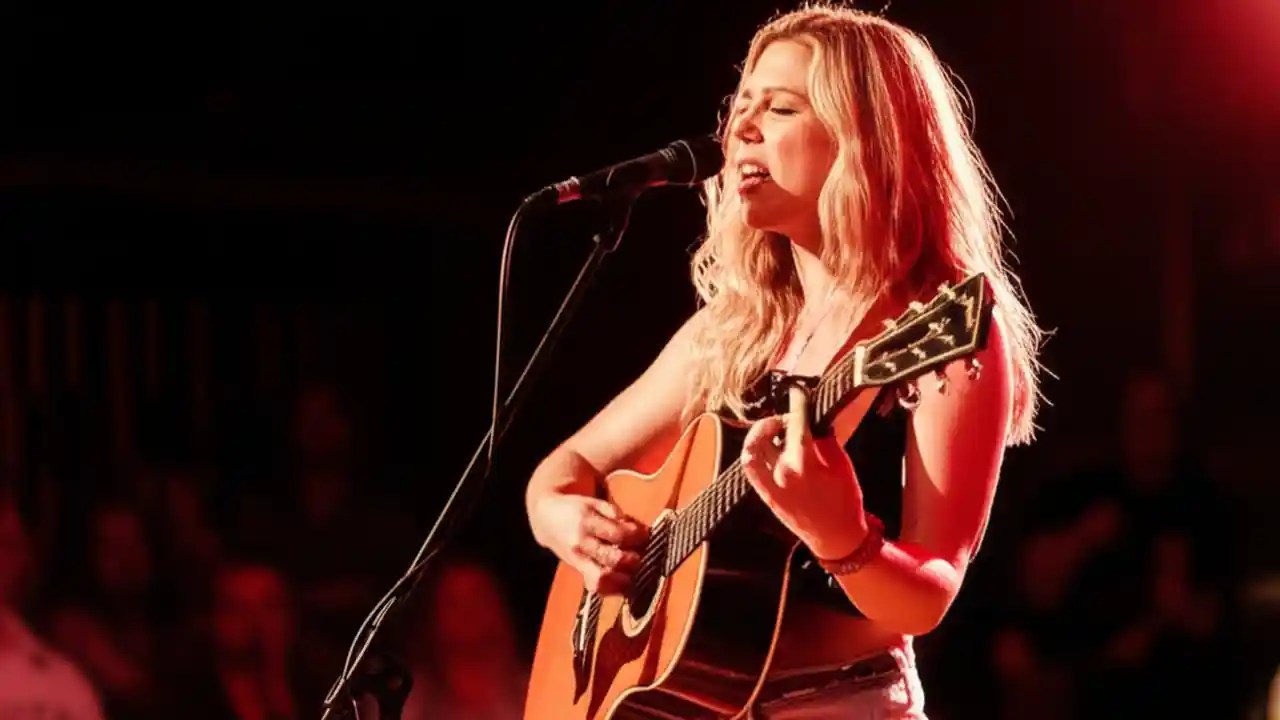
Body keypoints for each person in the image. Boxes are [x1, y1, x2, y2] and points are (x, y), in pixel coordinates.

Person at [524, 3, 1044, 717]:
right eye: (742, 106)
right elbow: (559, 473)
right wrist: (561, 520)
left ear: (863, 136)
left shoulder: (942, 327)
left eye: (781, 107)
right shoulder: (735, 329)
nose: (740, 127)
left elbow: (929, 593)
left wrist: (843, 537)